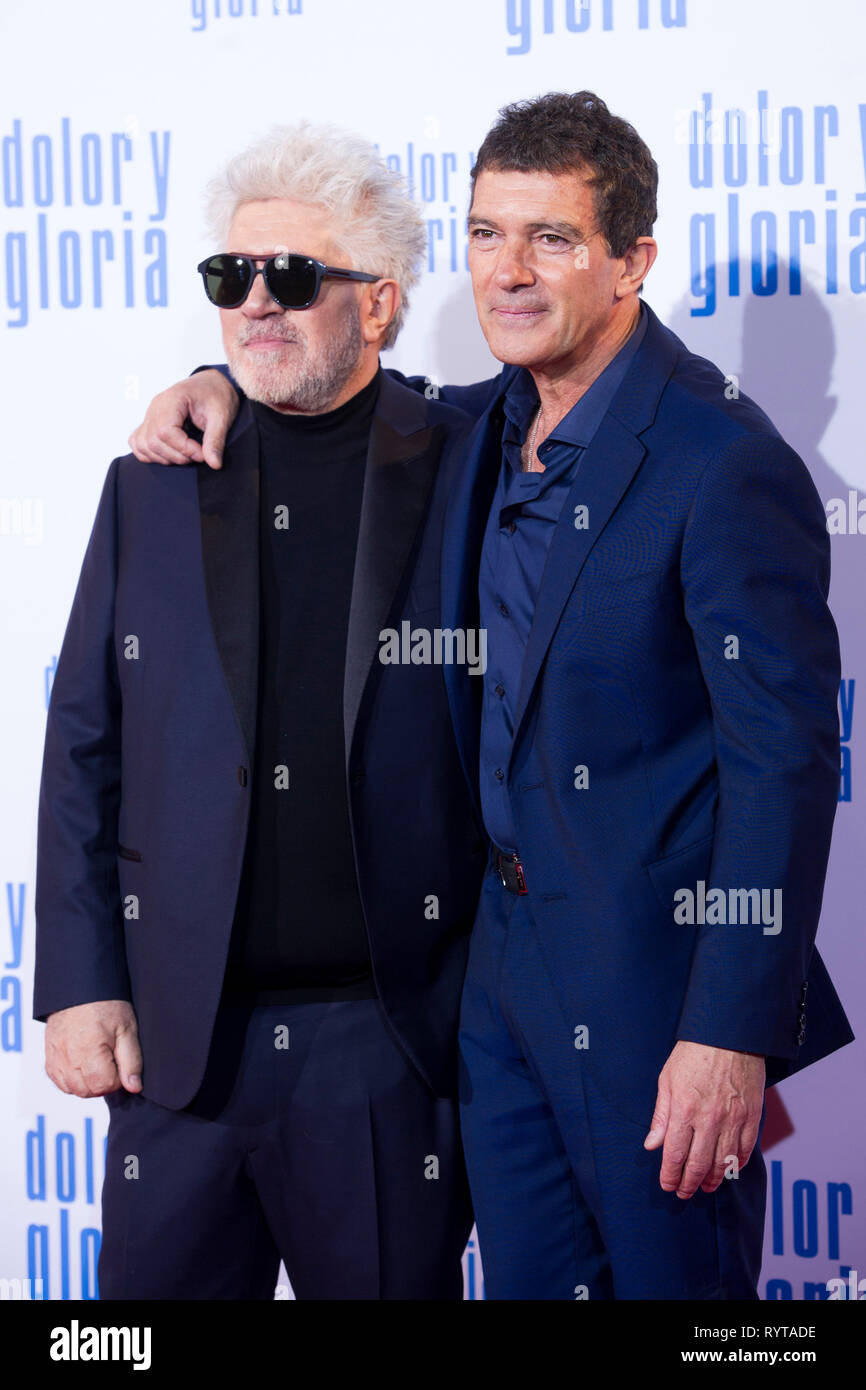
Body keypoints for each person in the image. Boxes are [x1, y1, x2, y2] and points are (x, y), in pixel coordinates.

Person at [129, 91, 854, 1300]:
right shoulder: (470, 427)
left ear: (632, 261)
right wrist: (211, 373)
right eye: (484, 236)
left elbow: (783, 766)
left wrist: (729, 1031)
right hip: (490, 984)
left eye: (551, 239)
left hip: (653, 988)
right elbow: (325, 380)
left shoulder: (720, 465)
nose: (507, 274)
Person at [34, 122, 484, 1301]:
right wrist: (78, 979)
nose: (254, 305)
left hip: (381, 1052)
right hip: (181, 1048)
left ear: (378, 305)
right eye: (232, 278)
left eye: (292, 276)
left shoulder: (469, 458)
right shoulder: (157, 474)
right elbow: (84, 740)